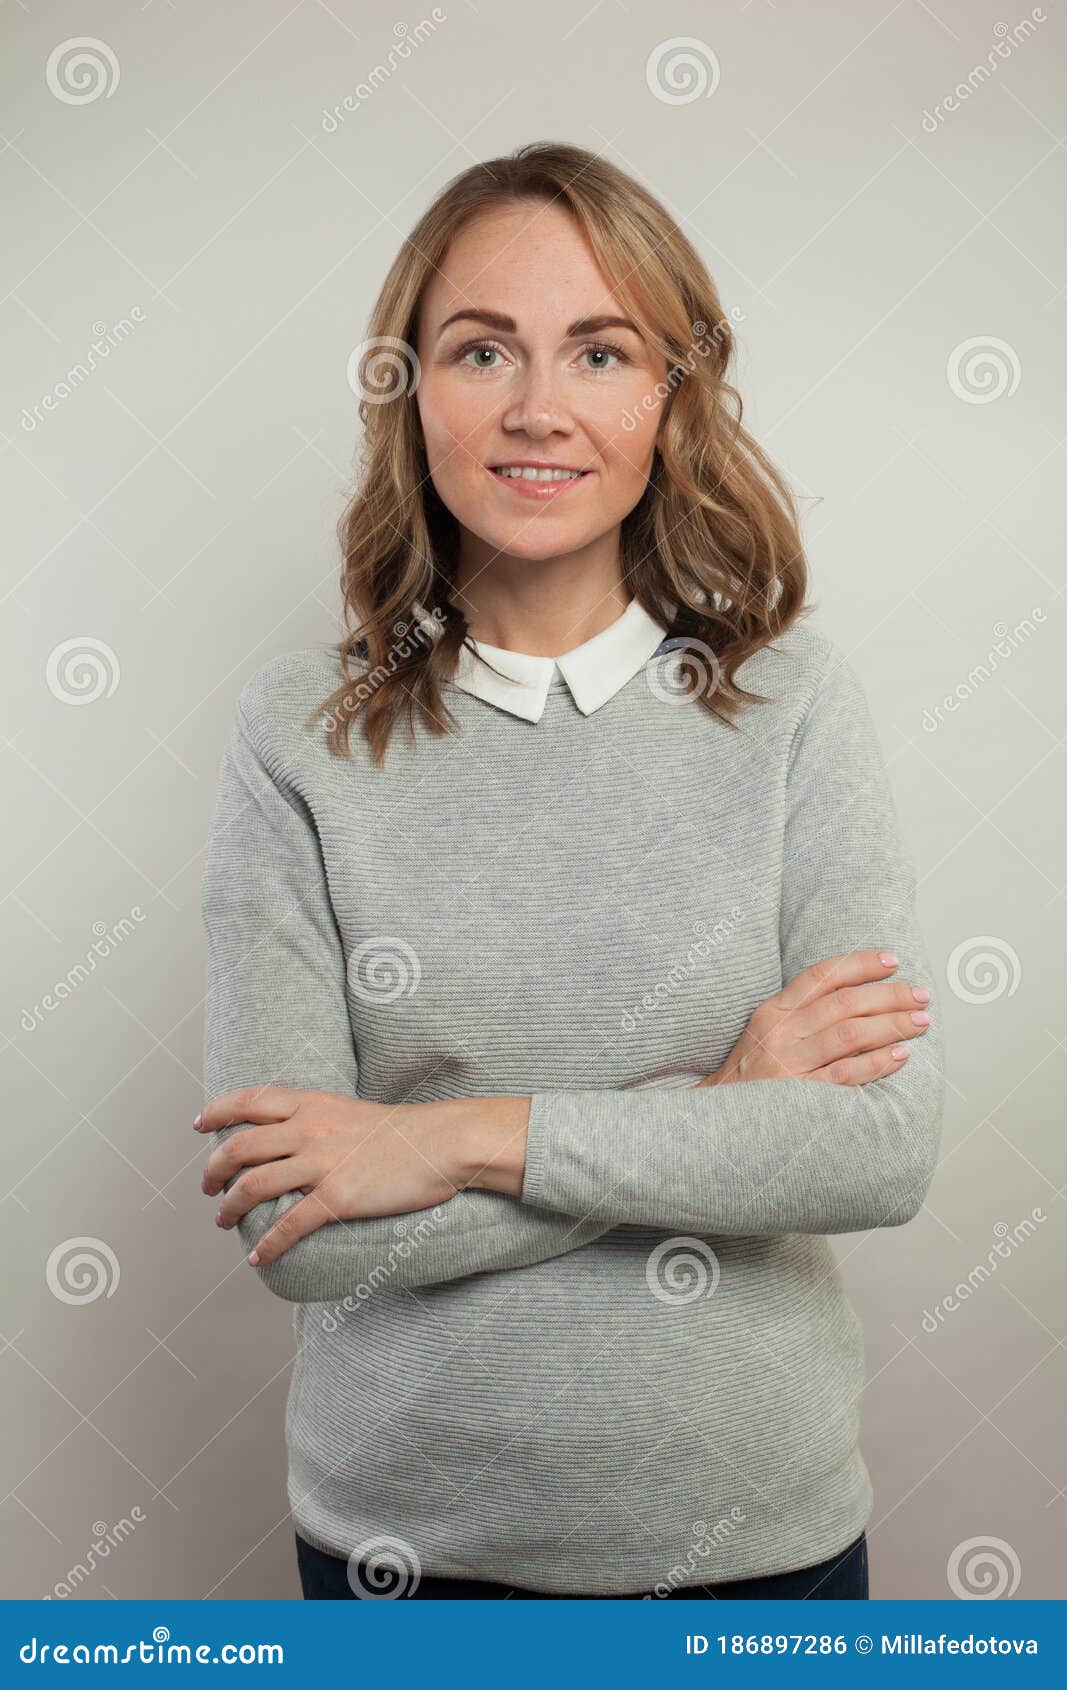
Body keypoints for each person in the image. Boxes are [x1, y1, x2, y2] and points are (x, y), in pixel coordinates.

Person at [197, 142, 944, 1601]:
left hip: (765, 1551)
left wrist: (449, 1136)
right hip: (405, 1565)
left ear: (670, 399)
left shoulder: (792, 706)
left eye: (601, 351)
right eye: (483, 350)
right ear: (411, 394)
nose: (540, 408)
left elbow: (878, 1149)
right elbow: (300, 1234)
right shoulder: (296, 736)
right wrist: (724, 1109)